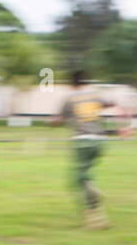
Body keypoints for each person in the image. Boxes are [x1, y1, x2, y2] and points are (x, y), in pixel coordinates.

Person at [52, 71, 130, 228]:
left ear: (71, 84)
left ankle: (94, 204)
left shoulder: (69, 99)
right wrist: (123, 127)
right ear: (86, 82)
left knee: (77, 180)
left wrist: (51, 121)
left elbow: (57, 120)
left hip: (82, 142)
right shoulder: (96, 96)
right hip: (100, 142)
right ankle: (95, 216)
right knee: (86, 176)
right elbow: (115, 104)